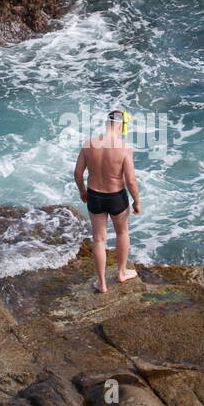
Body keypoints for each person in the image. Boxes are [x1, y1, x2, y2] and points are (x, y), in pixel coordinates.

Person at [73, 109, 141, 293]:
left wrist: (82, 191)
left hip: (94, 195)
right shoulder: (125, 148)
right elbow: (131, 180)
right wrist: (136, 201)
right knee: (122, 233)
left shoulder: (89, 144)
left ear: (107, 124)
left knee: (98, 239)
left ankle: (101, 283)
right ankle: (121, 273)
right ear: (121, 125)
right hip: (116, 196)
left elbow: (78, 173)